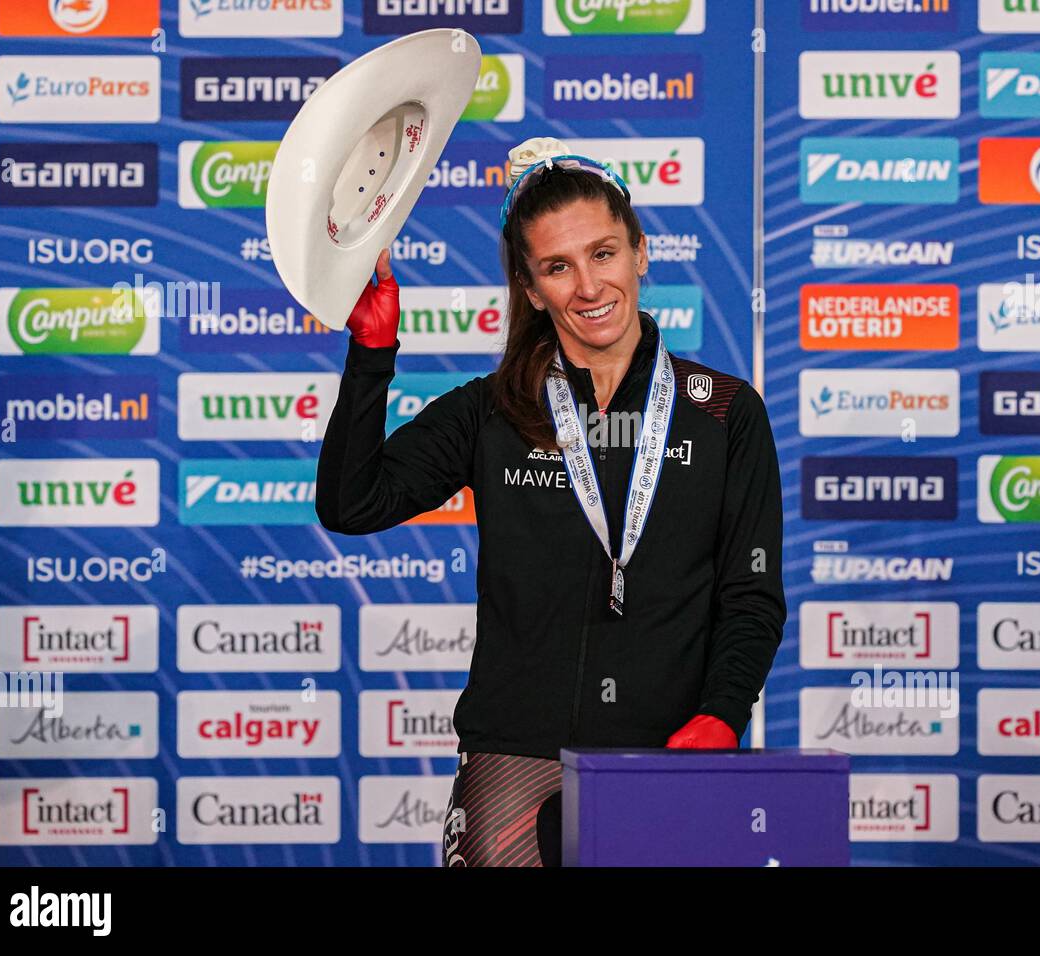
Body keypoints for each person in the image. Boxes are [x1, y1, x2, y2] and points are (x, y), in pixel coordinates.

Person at [315, 137, 786, 867]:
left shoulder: (724, 412)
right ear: (531, 289)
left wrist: (722, 716)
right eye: (557, 267)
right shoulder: (492, 410)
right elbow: (353, 503)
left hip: (665, 755)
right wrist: (372, 353)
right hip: (514, 759)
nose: (588, 286)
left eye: (603, 254)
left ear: (639, 253)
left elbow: (750, 597)